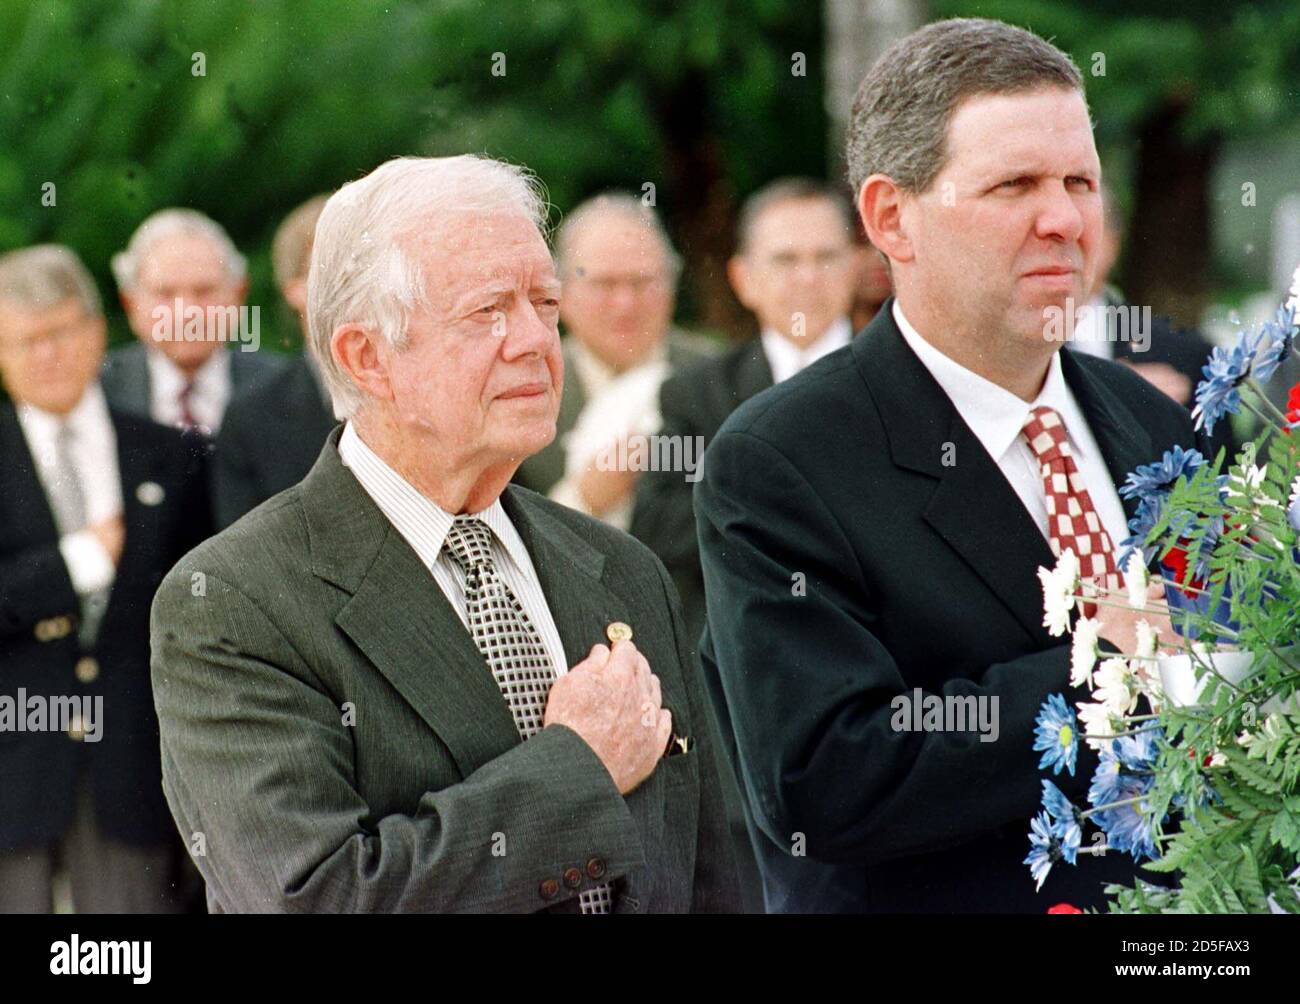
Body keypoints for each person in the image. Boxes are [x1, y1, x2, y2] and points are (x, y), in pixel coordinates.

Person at [695, 18, 1203, 913]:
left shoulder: (1152, 420)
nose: (1064, 219)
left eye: (1080, 181)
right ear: (893, 217)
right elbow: (821, 778)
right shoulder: (781, 461)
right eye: (1015, 185)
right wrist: (1105, 669)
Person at [150, 155, 741, 913]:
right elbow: (316, 899)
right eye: (489, 311)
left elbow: (711, 880)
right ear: (368, 358)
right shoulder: (234, 606)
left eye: (546, 302)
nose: (534, 340)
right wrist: (577, 768)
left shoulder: (622, 570)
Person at [0, 245, 211, 913]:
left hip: (137, 776)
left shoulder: (172, 456)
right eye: (24, 340)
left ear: (96, 333)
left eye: (60, 332)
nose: (46, 355)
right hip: (13, 781)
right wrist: (78, 563)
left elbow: (203, 612)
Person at [631, 178, 860, 643]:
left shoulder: (900, 380)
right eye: (786, 260)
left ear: (856, 265)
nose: (808, 277)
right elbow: (657, 523)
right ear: (743, 279)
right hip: (743, 649)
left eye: (826, 257)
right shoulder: (696, 394)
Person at [512, 193, 715, 527]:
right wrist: (583, 499)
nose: (625, 304)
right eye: (604, 284)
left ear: (671, 285)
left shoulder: (717, 376)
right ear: (560, 291)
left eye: (641, 282)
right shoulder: (524, 381)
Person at [101, 208, 283, 436]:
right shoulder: (96, 394)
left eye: (204, 291)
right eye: (165, 293)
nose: (187, 312)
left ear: (238, 294)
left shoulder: (282, 389)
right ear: (130, 303)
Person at [212, 196, 336, 528]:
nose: (352, 281)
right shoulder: (252, 417)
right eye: (332, 266)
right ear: (294, 288)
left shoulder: (423, 392)